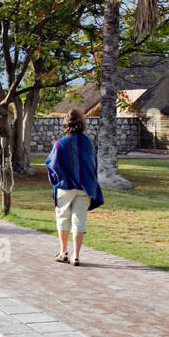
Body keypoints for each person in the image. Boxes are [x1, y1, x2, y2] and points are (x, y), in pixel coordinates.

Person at [45, 108, 105, 266]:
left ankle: (63, 252)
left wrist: (57, 180)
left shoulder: (60, 143)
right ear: (82, 124)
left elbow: (51, 165)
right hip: (85, 186)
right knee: (79, 220)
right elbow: (93, 165)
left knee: (63, 218)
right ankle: (76, 256)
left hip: (65, 187)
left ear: (66, 124)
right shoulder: (88, 143)